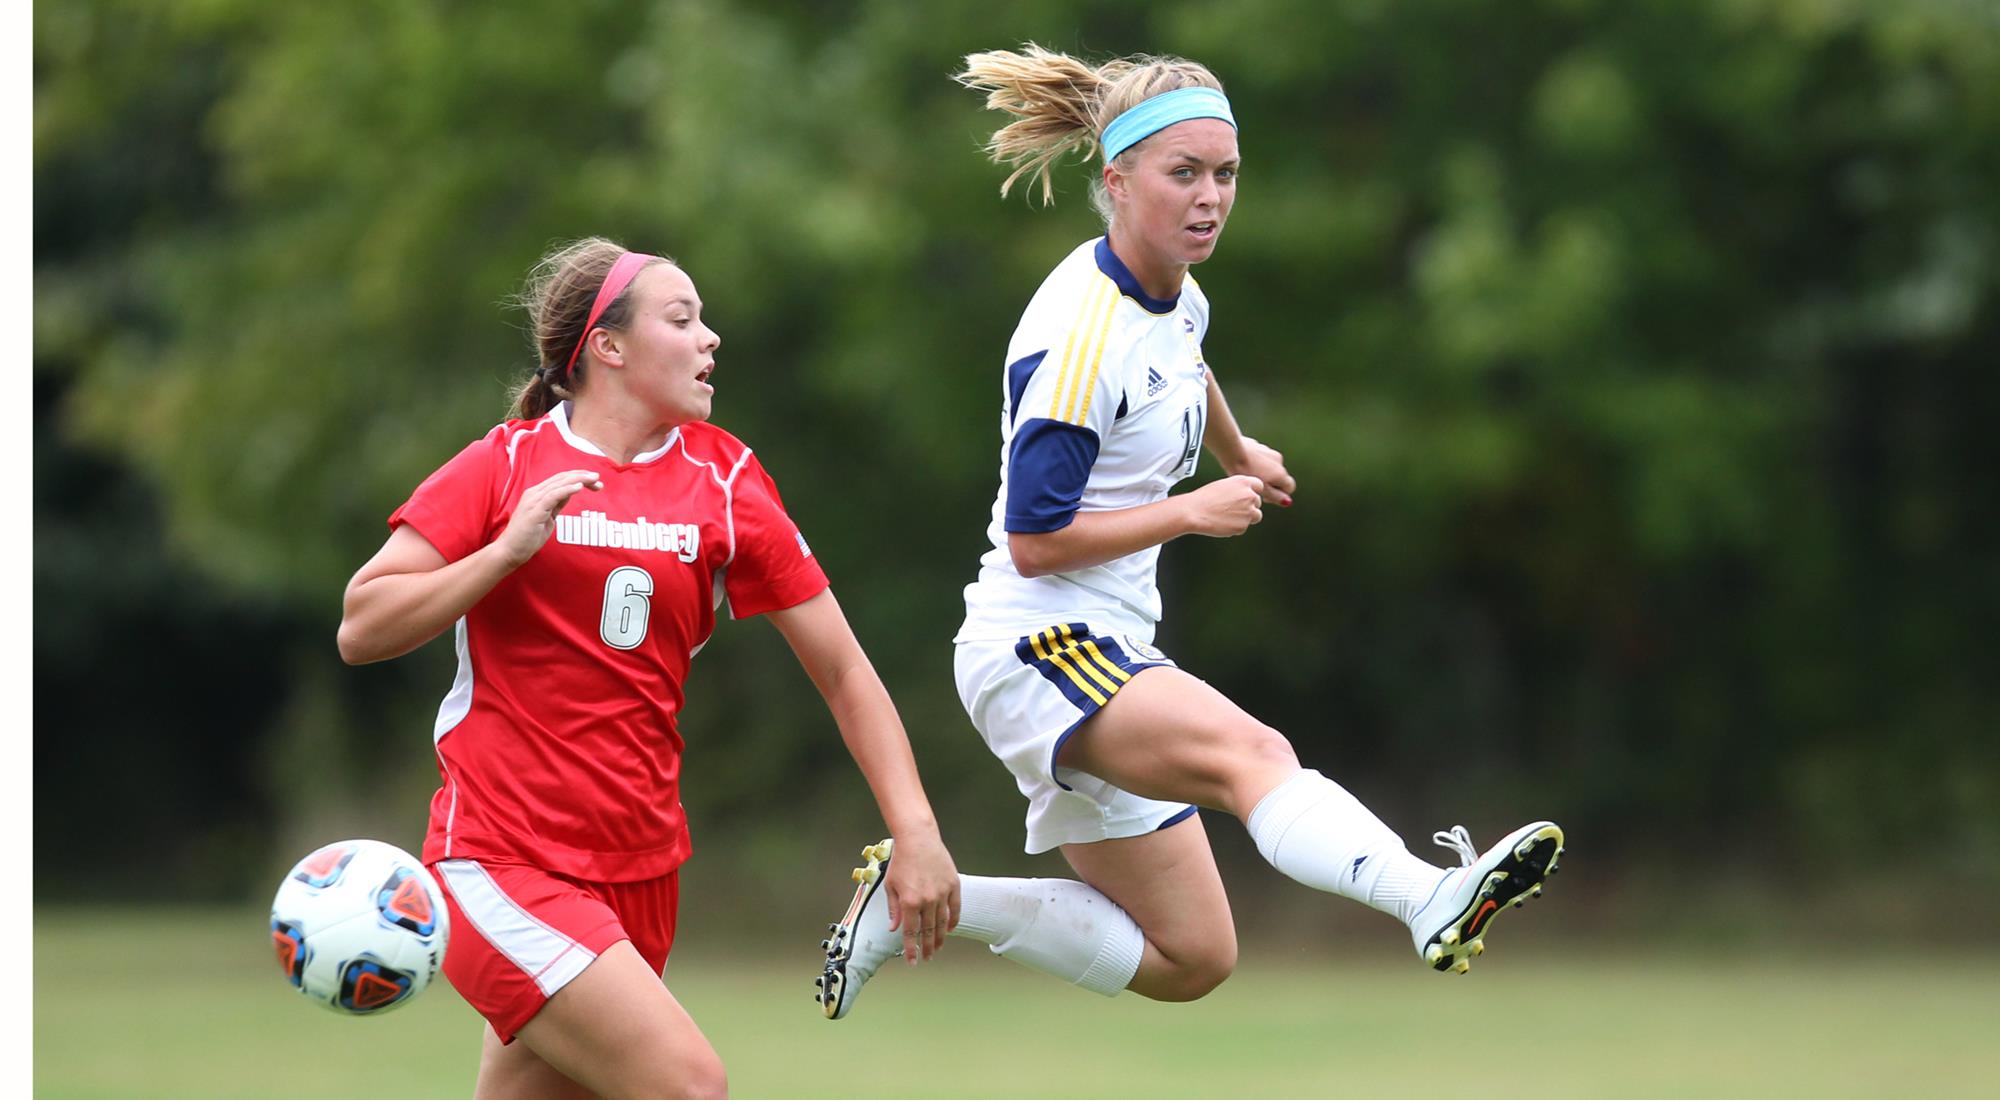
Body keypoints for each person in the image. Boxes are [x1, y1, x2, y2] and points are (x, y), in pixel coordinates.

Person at [815, 45, 1563, 1020]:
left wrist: (1236, 449)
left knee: (1191, 954)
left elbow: (1183, 353)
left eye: (1225, 175)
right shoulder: (1079, 342)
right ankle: (1425, 895)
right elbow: (1035, 538)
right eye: (1184, 174)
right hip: (1036, 643)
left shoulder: (1171, 289)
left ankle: (912, 903)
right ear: (1116, 181)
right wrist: (1192, 510)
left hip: (1103, 640)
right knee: (1252, 752)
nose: (1209, 197)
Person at [338, 237, 960, 1100]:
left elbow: (846, 674)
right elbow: (361, 624)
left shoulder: (726, 478)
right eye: (683, 318)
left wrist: (917, 832)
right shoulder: (508, 463)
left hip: (641, 872)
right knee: (690, 1085)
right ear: (608, 345)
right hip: (498, 860)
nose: (710, 339)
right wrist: (504, 553)